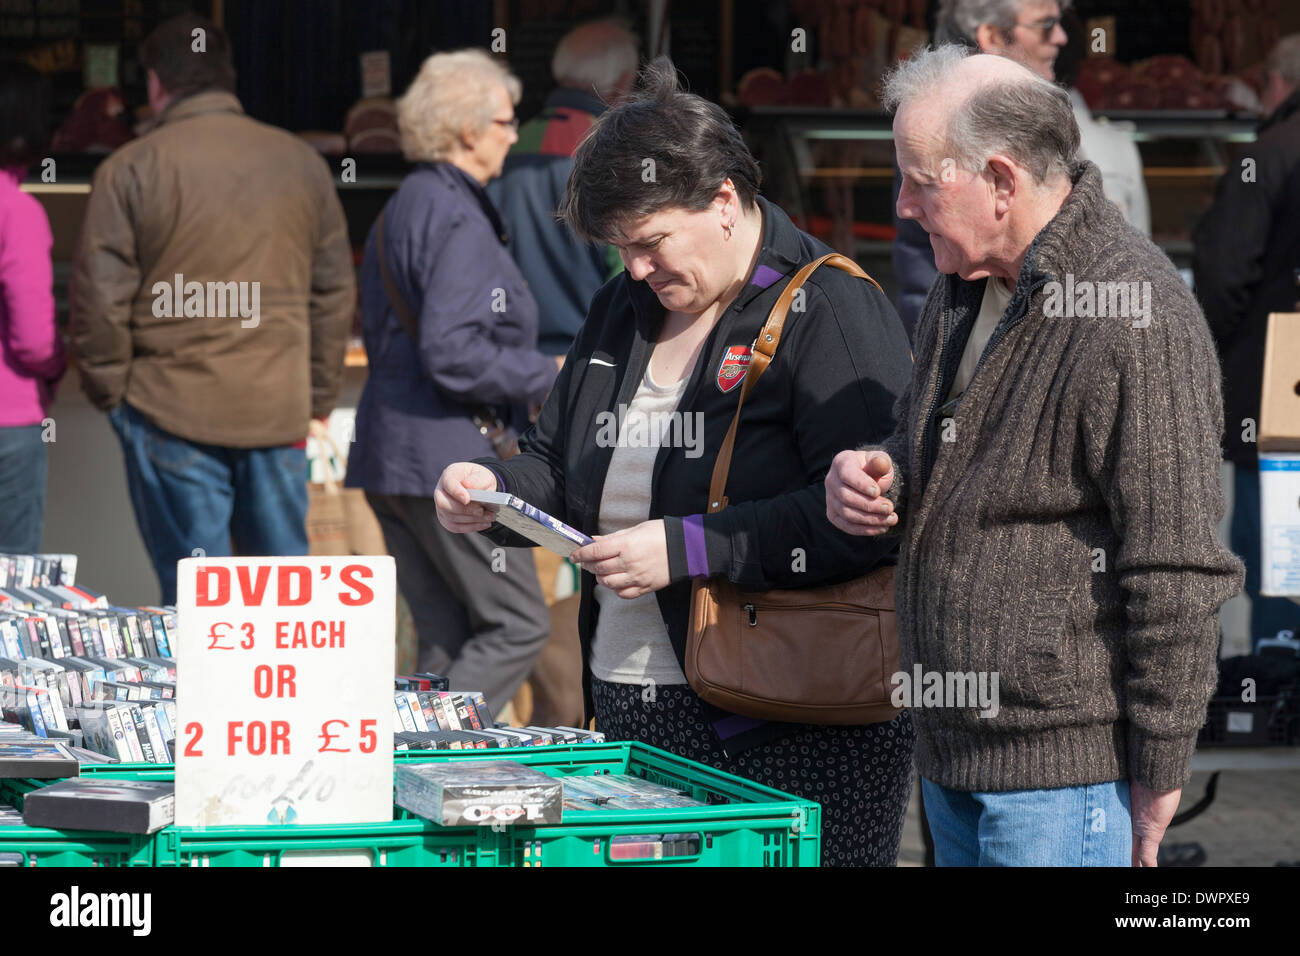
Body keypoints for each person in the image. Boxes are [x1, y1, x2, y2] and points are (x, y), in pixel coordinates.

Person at [435, 59, 916, 866]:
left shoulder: (829, 305)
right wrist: (495, 491)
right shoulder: (623, 308)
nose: (638, 270)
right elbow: (560, 468)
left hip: (789, 716)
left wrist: (690, 547)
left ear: (723, 200)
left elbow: (872, 522)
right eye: (623, 249)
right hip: (634, 699)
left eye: (652, 242)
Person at [827, 47, 1243, 866]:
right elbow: (934, 449)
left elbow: (1178, 568)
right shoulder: (963, 285)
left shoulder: (1137, 314)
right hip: (950, 753)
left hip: (1065, 782)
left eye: (920, 180)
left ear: (1002, 180)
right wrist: (880, 473)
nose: (903, 206)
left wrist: (1159, 775)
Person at [68, 14, 354, 604]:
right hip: (276, 412)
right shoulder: (301, 163)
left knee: (195, 605)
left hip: (168, 408)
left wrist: (112, 395)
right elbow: (333, 292)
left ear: (154, 84)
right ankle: (281, 699)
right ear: (228, 76)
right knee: (283, 602)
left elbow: (99, 298)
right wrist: (317, 399)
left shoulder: (129, 168)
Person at [345, 50, 558, 716]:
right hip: (453, 462)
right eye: (504, 120)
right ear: (467, 131)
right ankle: (432, 751)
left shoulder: (408, 203)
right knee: (518, 624)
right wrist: (545, 372)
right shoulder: (458, 216)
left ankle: (409, 782)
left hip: (392, 455)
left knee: (445, 640)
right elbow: (453, 352)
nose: (512, 132)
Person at [892, 0, 1149, 338]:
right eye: (1044, 24)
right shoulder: (938, 132)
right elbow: (921, 276)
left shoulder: (1133, 306)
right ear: (992, 35)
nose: (1060, 37)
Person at [1193, 33, 1300, 645]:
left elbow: (1224, 275)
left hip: (1280, 382)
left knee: (1278, 547)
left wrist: (1214, 358)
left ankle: (1278, 676)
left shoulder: (1269, 154)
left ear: (1278, 84)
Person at [486, 18, 638, 357]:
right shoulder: (620, 153)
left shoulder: (502, 146)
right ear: (623, 83)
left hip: (511, 360)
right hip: (592, 357)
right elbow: (630, 275)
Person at [0, 62, 65, 553]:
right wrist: (58, 366)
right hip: (9, 420)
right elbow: (34, 340)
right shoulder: (18, 211)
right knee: (10, 590)